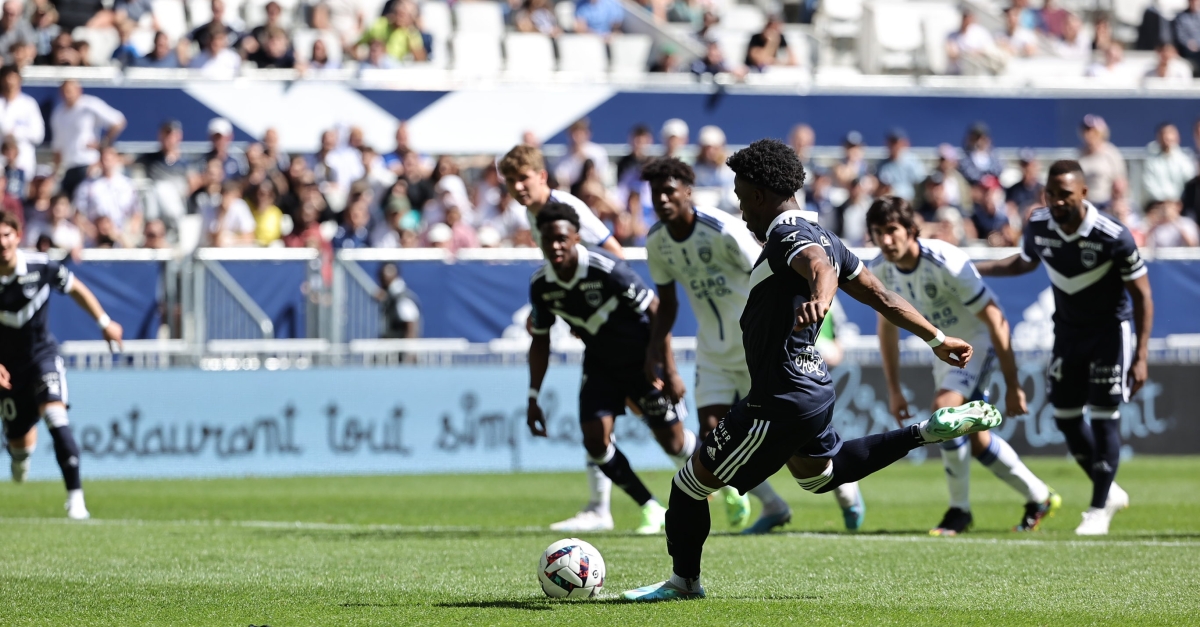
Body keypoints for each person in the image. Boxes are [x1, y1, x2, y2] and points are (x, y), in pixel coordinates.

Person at [622, 140, 1001, 602]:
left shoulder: (787, 236)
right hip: (812, 389)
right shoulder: (830, 237)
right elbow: (881, 296)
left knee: (687, 486)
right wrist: (937, 338)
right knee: (820, 475)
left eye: (743, 198)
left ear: (761, 196)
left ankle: (683, 584)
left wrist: (822, 297)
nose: (742, 212)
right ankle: (926, 431)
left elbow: (816, 265)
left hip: (778, 396)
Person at [642, 156, 868, 534]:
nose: (662, 199)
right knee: (716, 439)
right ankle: (774, 506)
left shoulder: (723, 228)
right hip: (712, 351)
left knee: (796, 445)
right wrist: (656, 354)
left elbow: (786, 272)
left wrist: (822, 331)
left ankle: (845, 489)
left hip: (756, 348)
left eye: (669, 191)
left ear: (687, 192)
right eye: (655, 193)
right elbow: (666, 306)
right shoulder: (657, 241)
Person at [977, 160, 1152, 536]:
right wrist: (976, 268)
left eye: (1065, 195)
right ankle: (1111, 491)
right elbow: (1025, 262)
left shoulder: (1112, 235)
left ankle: (1099, 507)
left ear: (1084, 193)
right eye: (1051, 194)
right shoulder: (1039, 224)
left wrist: (1140, 356)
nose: (1056, 201)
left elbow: (1143, 296)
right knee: (1066, 418)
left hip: (1109, 333)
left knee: (1105, 416)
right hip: (1068, 333)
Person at [866, 197, 1059, 535]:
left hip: (977, 342)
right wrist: (894, 390)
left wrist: (1013, 386)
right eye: (878, 233)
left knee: (944, 411)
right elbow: (887, 329)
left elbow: (996, 320)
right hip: (946, 350)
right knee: (977, 439)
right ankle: (1039, 496)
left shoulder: (945, 261)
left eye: (892, 231)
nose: (885, 240)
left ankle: (959, 511)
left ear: (911, 229)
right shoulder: (880, 268)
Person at [527, 201, 700, 534]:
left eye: (562, 238)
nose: (556, 245)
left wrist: (670, 370)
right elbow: (540, 340)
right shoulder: (541, 284)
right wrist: (533, 395)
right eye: (549, 240)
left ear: (577, 237)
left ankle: (729, 482)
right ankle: (651, 507)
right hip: (601, 364)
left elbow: (657, 311)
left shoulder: (605, 268)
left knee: (674, 444)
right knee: (594, 439)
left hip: (642, 361)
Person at [0, 209, 123, 519]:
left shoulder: (40, 267)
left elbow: (76, 288)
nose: (2, 242)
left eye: (6, 235)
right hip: (8, 371)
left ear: (17, 237)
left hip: (42, 357)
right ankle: (19, 454)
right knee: (19, 444)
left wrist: (104, 321)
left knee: (56, 417)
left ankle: (76, 500)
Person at [499, 144, 623, 257]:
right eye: (510, 180)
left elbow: (616, 253)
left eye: (523, 178)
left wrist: (591, 282)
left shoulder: (566, 207)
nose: (517, 187)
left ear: (542, 176)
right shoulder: (530, 211)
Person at [49, 80, 126, 200]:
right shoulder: (58, 114)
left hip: (88, 164)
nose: (67, 94)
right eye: (64, 91)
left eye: (70, 91)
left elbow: (118, 121)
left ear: (79, 90)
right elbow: (58, 148)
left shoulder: (90, 105)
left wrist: (103, 145)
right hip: (69, 167)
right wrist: (55, 173)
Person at [0, 65, 44, 183]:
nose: (10, 84)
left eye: (13, 80)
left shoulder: (28, 104)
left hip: (24, 163)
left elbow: (38, 135)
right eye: (7, 80)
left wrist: (16, 132)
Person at [1077, 115, 1126, 210]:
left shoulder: (1111, 153)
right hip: (1085, 205)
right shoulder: (1079, 154)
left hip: (1106, 205)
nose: (1089, 134)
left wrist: (1117, 202)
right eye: (1086, 131)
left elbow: (1120, 183)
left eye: (1092, 131)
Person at [1143, 122, 1196, 203]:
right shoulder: (1151, 161)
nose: (1167, 138)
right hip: (1157, 205)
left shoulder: (1185, 161)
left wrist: (1176, 202)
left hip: (1181, 205)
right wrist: (1164, 201)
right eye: (1164, 134)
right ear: (1158, 137)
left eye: (1170, 134)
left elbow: (1189, 182)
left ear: (1177, 137)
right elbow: (1149, 185)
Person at [875, 128, 926, 202]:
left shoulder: (912, 161)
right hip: (889, 201)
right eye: (892, 143)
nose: (894, 146)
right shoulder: (882, 165)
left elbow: (921, 182)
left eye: (896, 143)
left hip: (909, 201)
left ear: (903, 143)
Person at [377, 262, 420, 339]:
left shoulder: (402, 298)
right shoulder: (392, 297)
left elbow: (411, 325)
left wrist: (409, 349)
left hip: (399, 348)